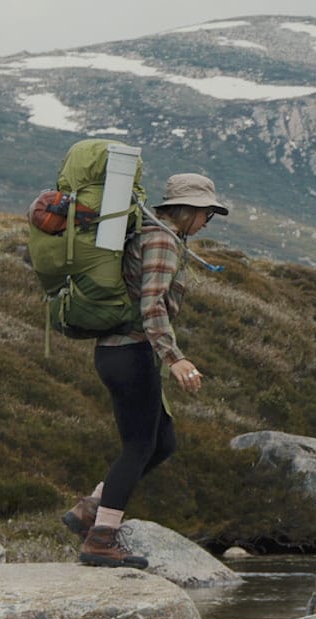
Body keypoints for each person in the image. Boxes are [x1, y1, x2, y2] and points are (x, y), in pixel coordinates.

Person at [62, 173, 229, 567]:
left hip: (124, 353)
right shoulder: (161, 240)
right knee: (138, 447)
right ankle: (101, 539)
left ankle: (91, 509)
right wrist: (176, 358)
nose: (208, 221)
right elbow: (151, 305)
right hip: (131, 352)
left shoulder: (155, 236)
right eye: (207, 213)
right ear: (186, 210)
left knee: (162, 443)